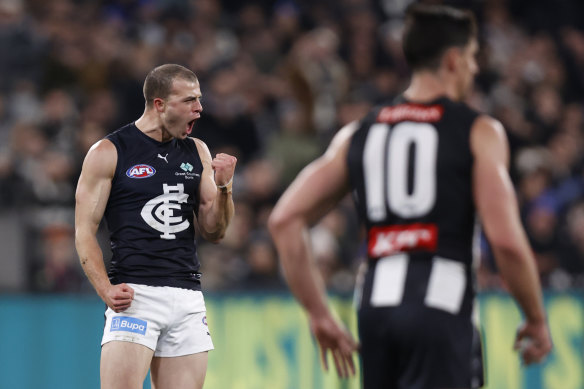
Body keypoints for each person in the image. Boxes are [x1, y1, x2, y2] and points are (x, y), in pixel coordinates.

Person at [268, 4, 552, 388]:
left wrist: (318, 313)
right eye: (471, 58)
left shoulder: (359, 132)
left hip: (375, 309)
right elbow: (506, 241)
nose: (475, 68)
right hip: (442, 307)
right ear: (453, 60)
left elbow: (285, 219)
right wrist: (535, 317)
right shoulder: (478, 131)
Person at [75, 64, 236, 389]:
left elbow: (215, 231)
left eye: (199, 99)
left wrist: (224, 188)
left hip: (187, 297)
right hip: (136, 296)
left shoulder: (197, 151)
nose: (200, 109)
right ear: (159, 104)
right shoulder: (109, 152)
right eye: (190, 100)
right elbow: (84, 230)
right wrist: (105, 288)